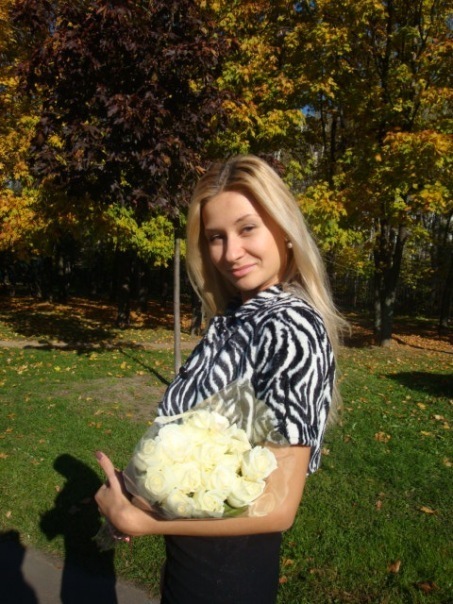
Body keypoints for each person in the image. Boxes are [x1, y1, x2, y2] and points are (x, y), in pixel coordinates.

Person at [95, 155, 345, 603]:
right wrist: (140, 495)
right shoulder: (237, 317)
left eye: (247, 228)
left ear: (285, 228)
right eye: (216, 237)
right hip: (193, 563)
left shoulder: (290, 329)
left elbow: (277, 510)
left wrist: (144, 522)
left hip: (230, 573)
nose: (230, 253)